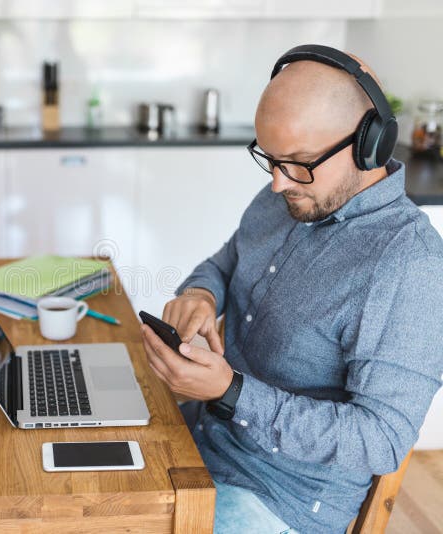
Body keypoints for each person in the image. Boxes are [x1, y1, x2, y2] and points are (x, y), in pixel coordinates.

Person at [140, 44, 443, 533]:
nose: (278, 184)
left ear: (369, 144)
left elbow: (381, 440)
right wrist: (201, 294)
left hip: (277, 498)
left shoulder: (408, 265)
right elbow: (228, 259)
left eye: (298, 163)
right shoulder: (297, 189)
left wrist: (231, 392)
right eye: (270, 160)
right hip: (198, 435)